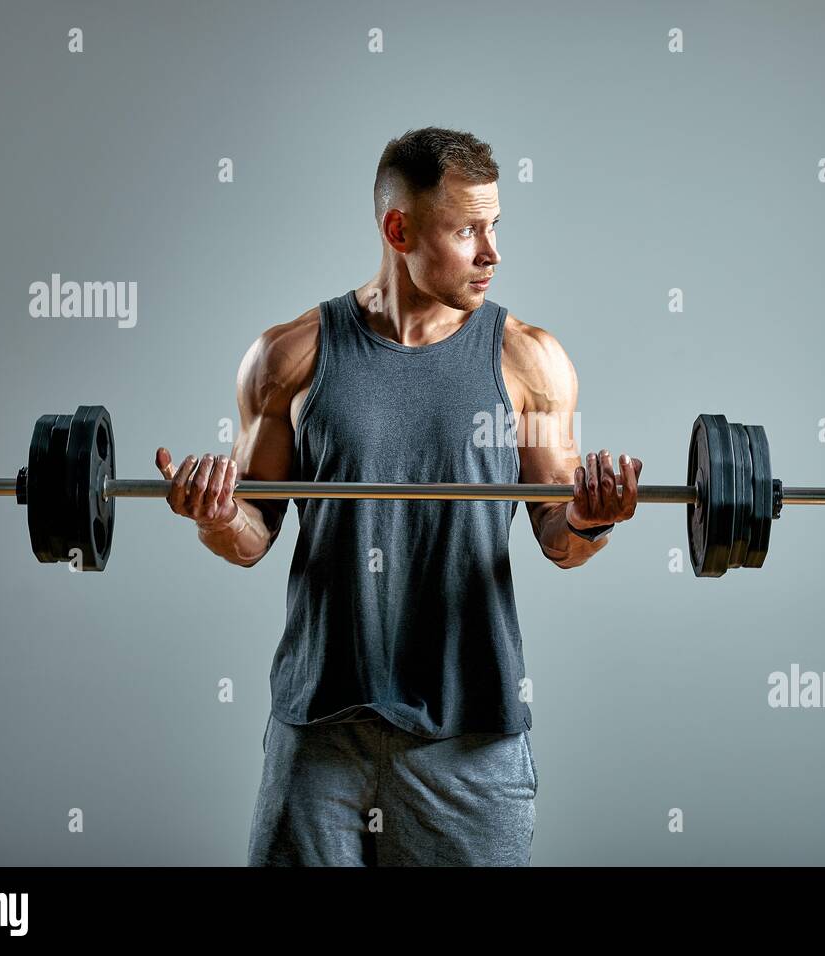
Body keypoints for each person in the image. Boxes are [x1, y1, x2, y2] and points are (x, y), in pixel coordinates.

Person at [154, 127, 642, 866]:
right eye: (468, 229)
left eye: (495, 226)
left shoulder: (531, 362)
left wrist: (589, 519)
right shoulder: (290, 357)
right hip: (320, 734)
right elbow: (253, 535)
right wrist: (218, 515)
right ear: (398, 229)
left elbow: (558, 537)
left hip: (469, 738)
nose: (492, 252)